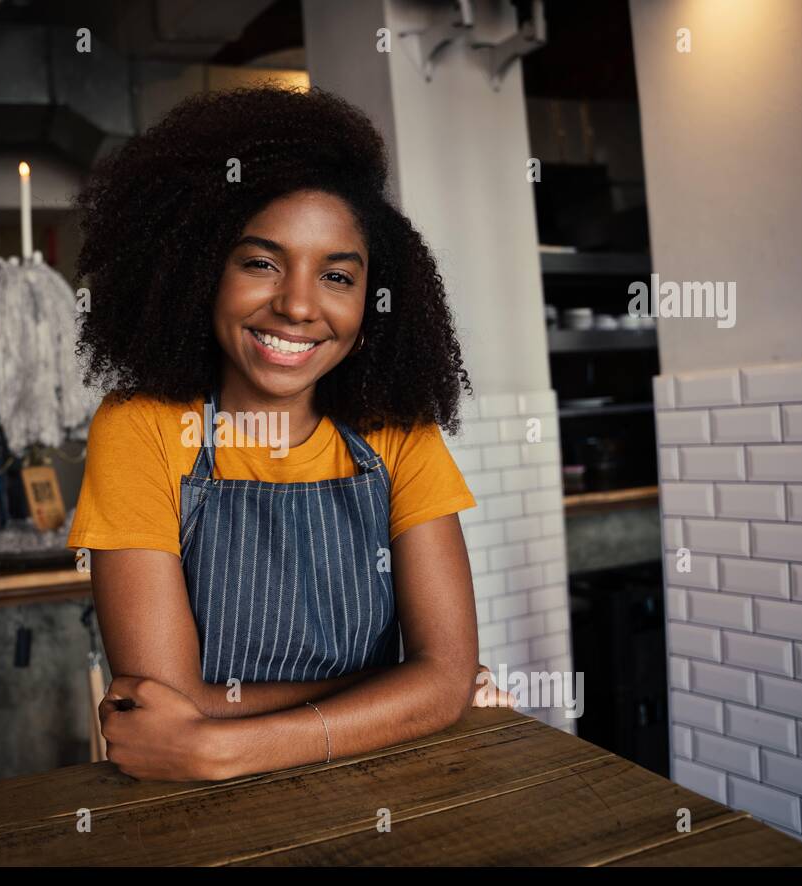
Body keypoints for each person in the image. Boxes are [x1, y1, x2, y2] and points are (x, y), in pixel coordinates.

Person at [67, 85, 515, 782]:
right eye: (261, 263)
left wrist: (220, 741)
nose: (299, 305)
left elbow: (444, 680)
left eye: (337, 275)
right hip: (202, 816)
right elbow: (165, 700)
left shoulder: (399, 436)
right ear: (199, 270)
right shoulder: (142, 430)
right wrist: (406, 690)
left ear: (370, 306)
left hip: (387, 793)